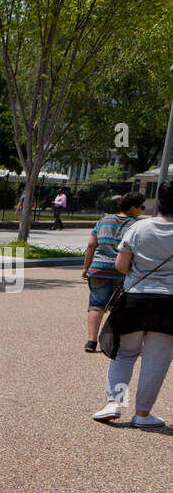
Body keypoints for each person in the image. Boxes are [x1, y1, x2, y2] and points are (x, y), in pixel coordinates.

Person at [92, 182, 173, 428]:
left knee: (125, 353)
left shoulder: (139, 227)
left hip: (135, 298)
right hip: (169, 302)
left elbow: (121, 266)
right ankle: (143, 414)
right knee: (156, 360)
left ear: (158, 200)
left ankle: (114, 403)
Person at [83, 193, 145, 353]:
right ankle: (115, 341)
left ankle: (91, 341)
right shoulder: (136, 225)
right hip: (121, 270)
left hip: (98, 267)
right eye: (141, 207)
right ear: (133, 208)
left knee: (96, 305)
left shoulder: (103, 220)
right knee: (119, 307)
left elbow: (91, 245)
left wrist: (86, 267)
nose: (142, 210)